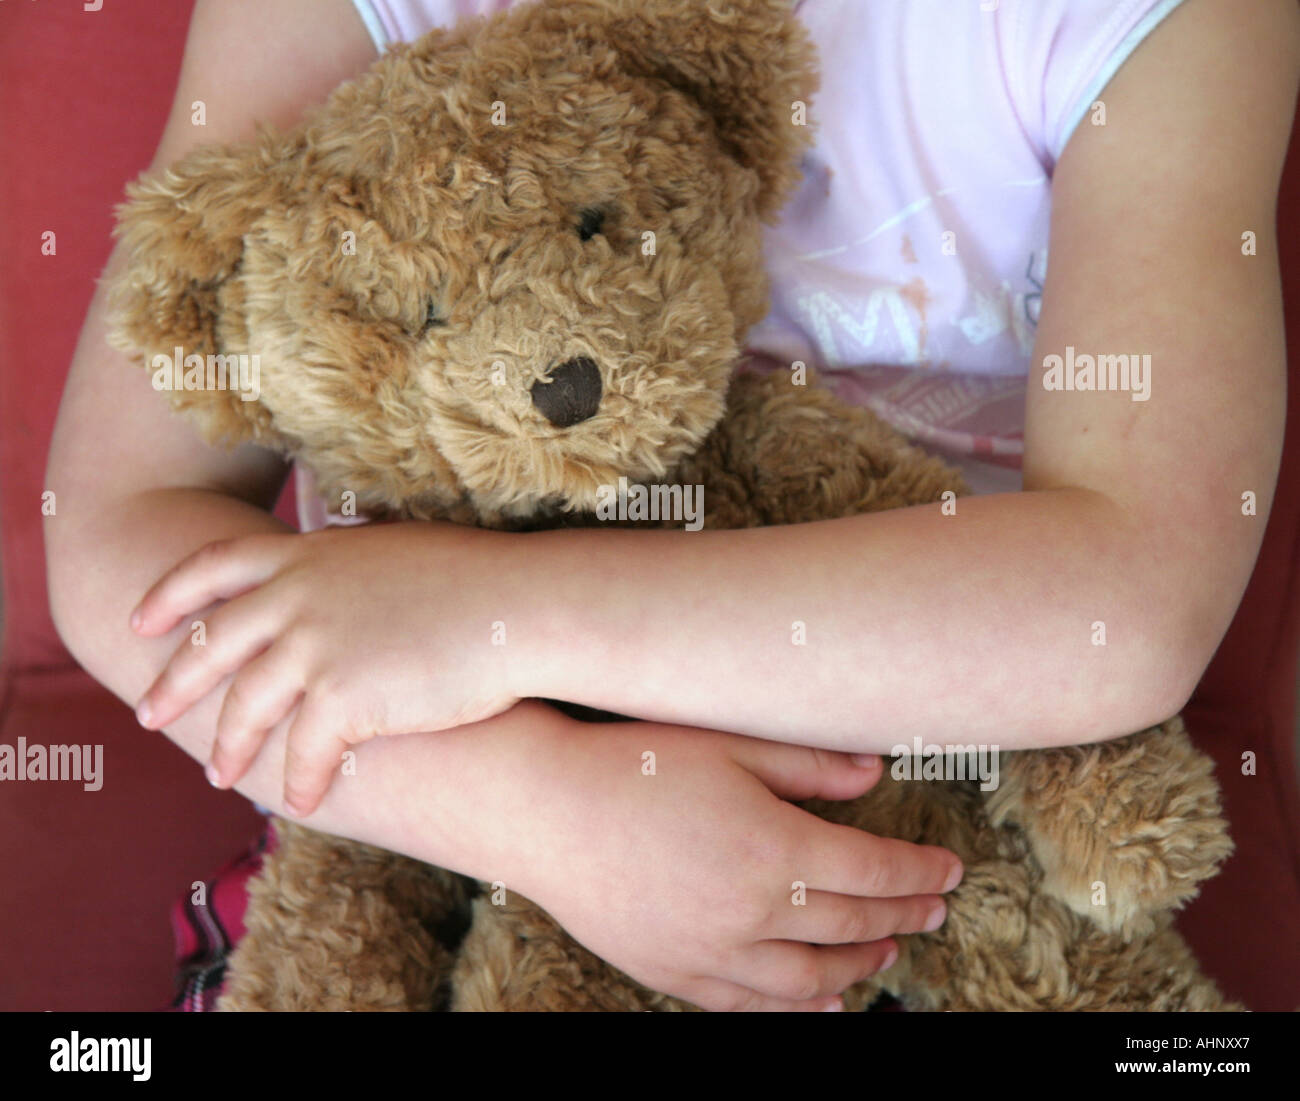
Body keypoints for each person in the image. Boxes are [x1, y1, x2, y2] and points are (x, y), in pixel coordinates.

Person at [45, 0, 1300, 1011]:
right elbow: (122, 523)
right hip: (433, 806)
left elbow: (1132, 604)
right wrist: (536, 809)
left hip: (939, 806)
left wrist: (494, 619)